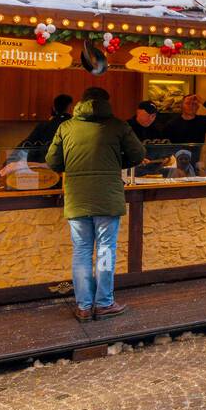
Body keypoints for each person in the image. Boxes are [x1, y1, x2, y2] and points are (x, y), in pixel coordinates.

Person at [45, 86, 145, 322]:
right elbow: (138, 155)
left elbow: (52, 161)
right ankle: (104, 303)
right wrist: (116, 160)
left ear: (82, 101)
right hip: (107, 197)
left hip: (77, 197)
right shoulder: (118, 125)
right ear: (106, 102)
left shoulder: (66, 127)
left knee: (81, 251)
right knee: (105, 249)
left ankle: (83, 306)